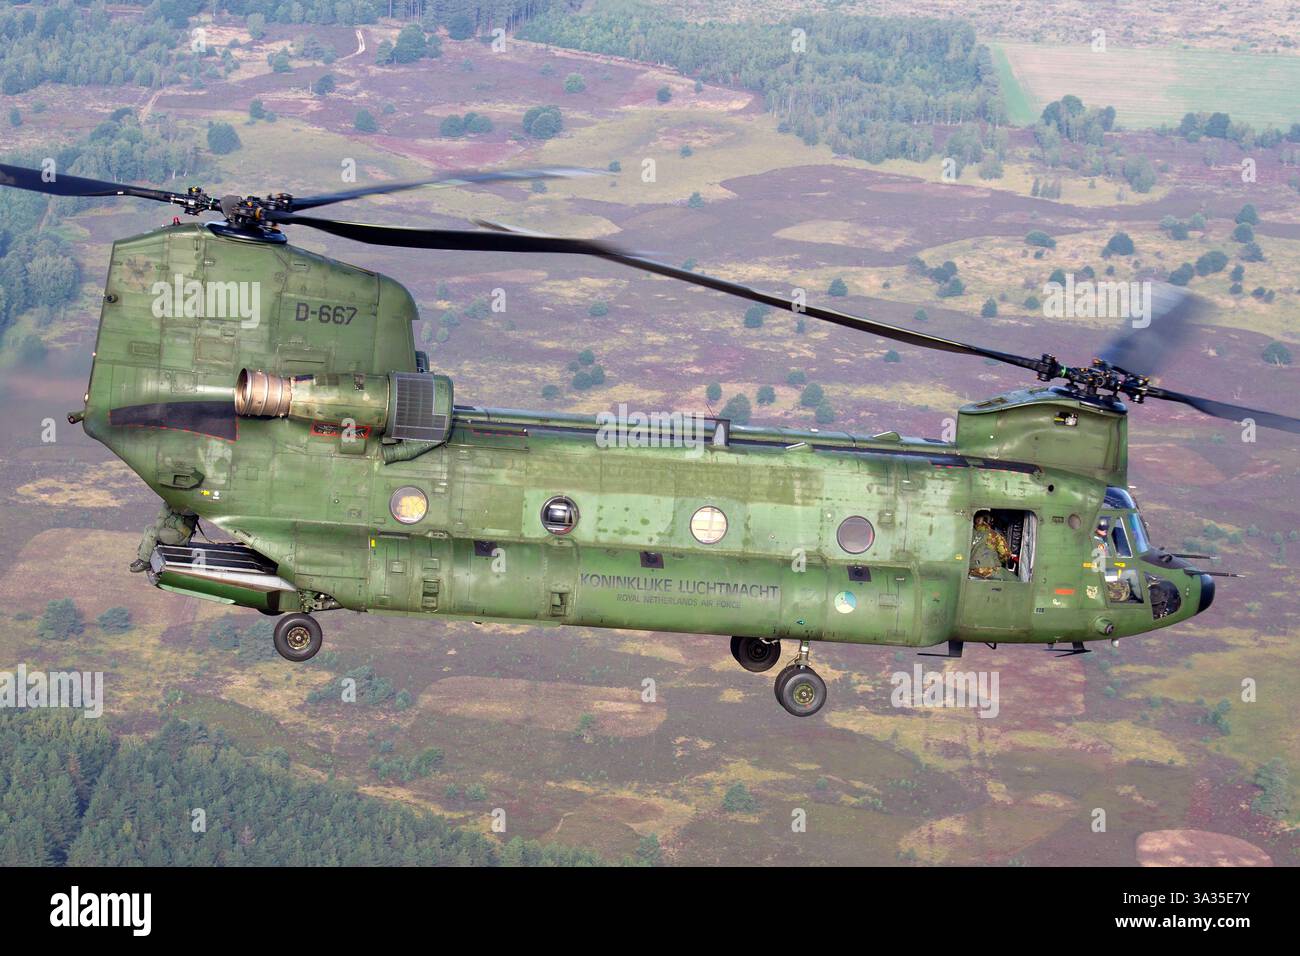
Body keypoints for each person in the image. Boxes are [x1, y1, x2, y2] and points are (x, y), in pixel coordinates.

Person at [129, 504, 199, 572]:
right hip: (173, 530)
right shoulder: (172, 502)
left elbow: (180, 525)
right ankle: (141, 557)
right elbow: (163, 517)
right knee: (148, 528)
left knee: (152, 533)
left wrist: (169, 521)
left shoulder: (187, 506)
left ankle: (145, 562)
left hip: (181, 536)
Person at [969, 511, 1014, 580]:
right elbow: (1005, 554)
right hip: (990, 570)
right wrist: (998, 560)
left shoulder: (967, 533)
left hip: (970, 570)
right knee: (1016, 581)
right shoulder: (994, 535)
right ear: (989, 520)